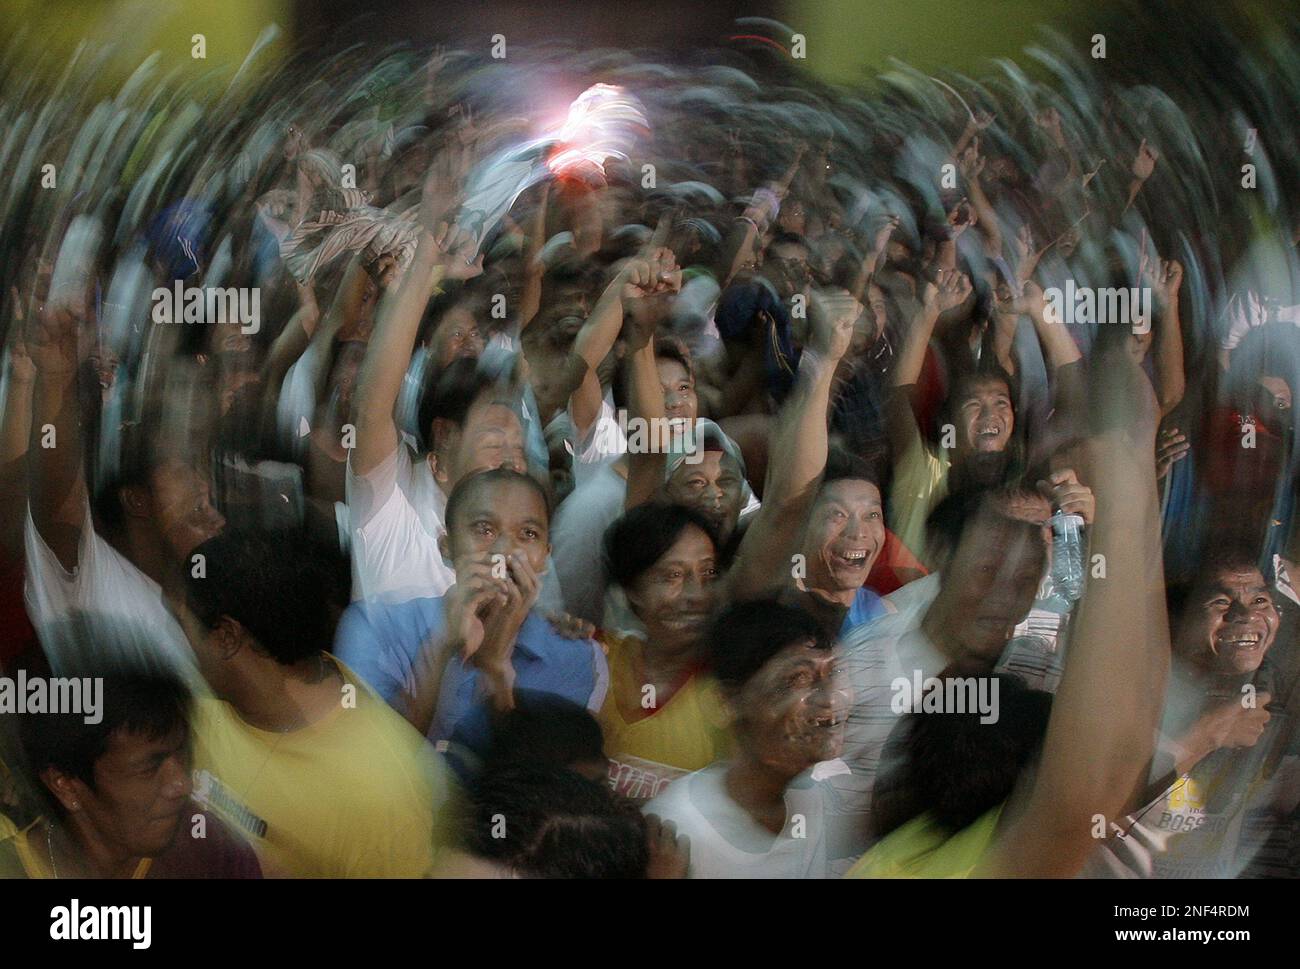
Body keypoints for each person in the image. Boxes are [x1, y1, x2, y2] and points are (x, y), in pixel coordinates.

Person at [178, 530, 450, 877]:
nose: (180, 645)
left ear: (226, 637)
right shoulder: (197, 700)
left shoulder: (383, 797)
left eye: (182, 626)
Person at [333, 468, 608, 772]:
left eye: (528, 534)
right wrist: (440, 648)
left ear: (545, 555)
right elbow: (372, 769)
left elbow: (539, 793)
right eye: (483, 529)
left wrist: (496, 670)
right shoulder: (375, 626)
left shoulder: (578, 657)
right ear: (446, 547)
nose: (504, 552)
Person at [0, 614, 260, 879]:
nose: (183, 784)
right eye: (149, 767)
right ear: (65, 784)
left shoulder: (210, 850)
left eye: (181, 752)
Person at [643, 600, 853, 878]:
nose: (830, 698)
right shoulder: (676, 829)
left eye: (834, 673)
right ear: (724, 703)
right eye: (798, 679)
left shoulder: (834, 796)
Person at [599, 504, 732, 800]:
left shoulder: (730, 693)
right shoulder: (592, 659)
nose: (696, 595)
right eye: (672, 576)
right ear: (632, 588)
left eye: (708, 573)